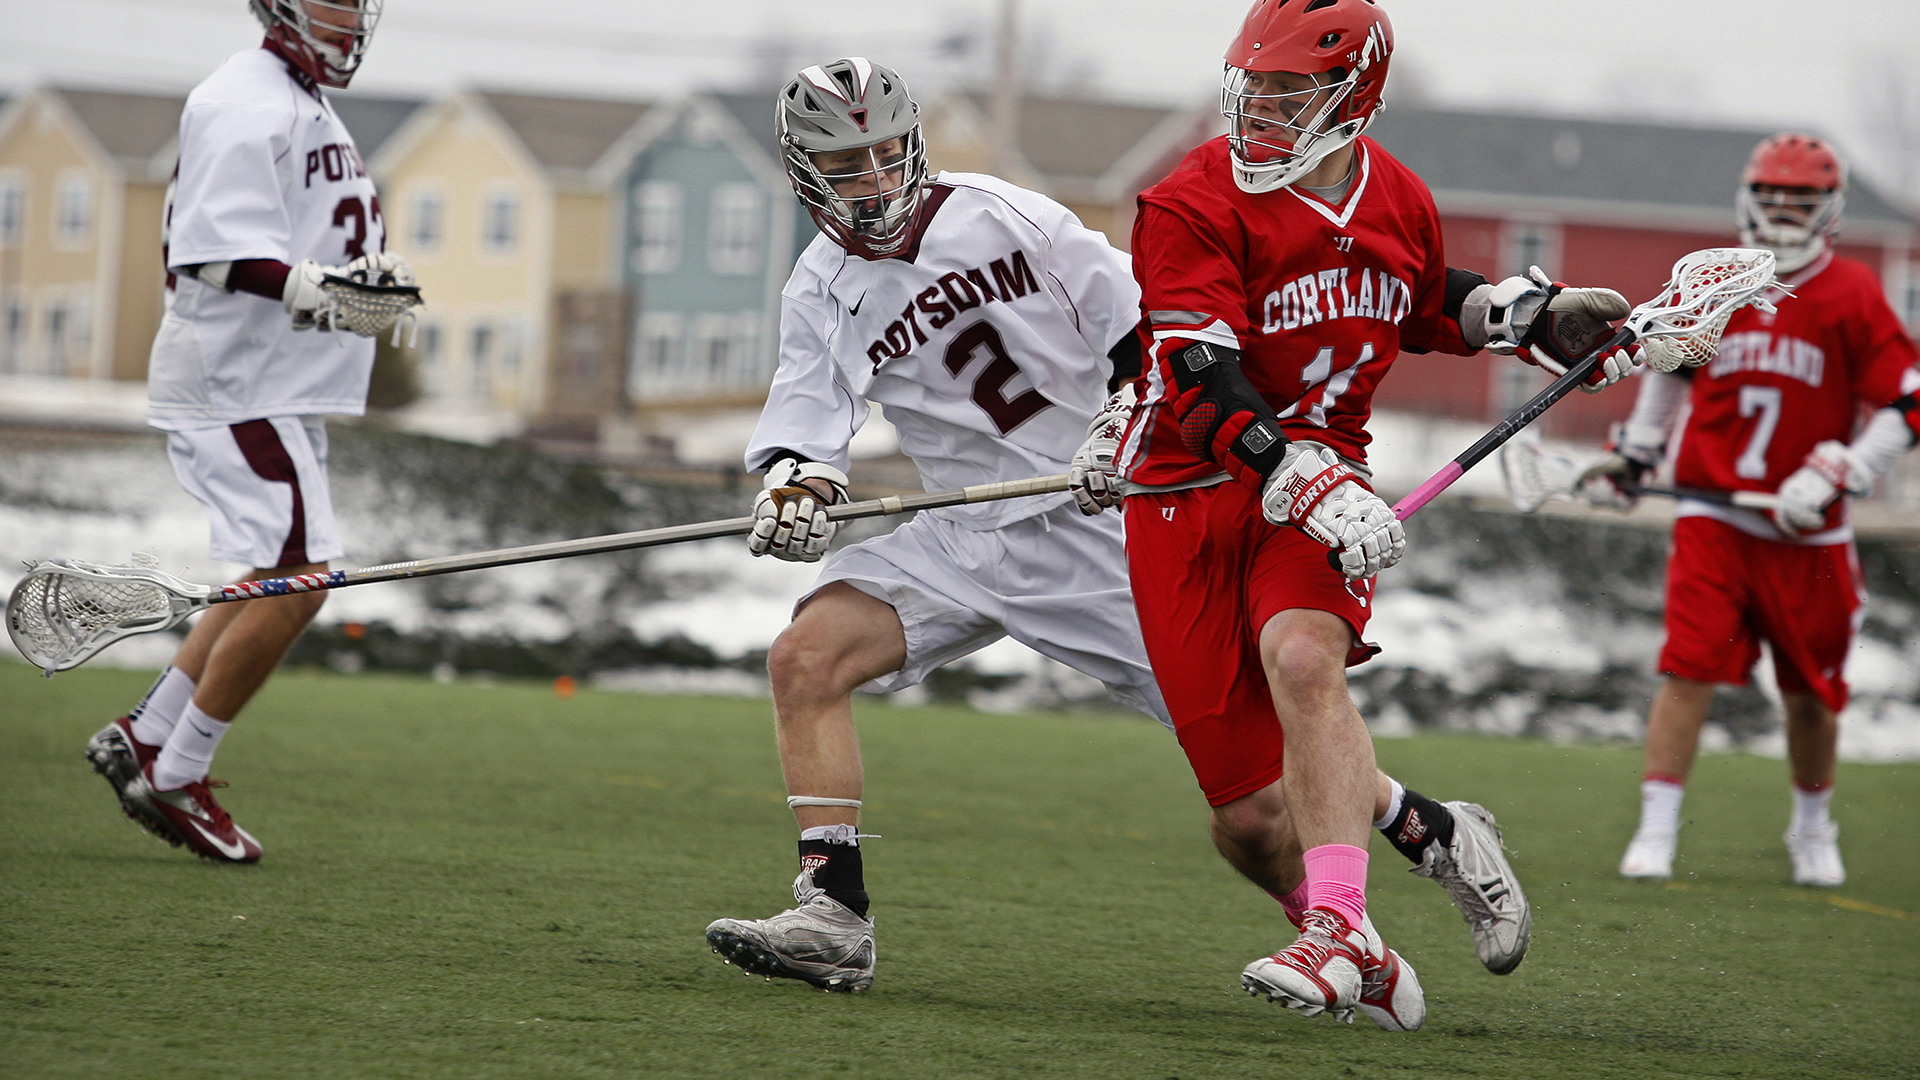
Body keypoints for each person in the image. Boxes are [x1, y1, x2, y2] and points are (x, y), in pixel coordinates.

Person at [705, 51, 1597, 1025]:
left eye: (886, 157)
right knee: (803, 658)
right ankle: (835, 915)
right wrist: (798, 490)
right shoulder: (819, 289)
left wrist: (1123, 417)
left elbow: (1149, 329)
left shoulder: (1008, 216)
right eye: (847, 169)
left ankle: (1423, 830)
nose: (874, 184)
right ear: (805, 175)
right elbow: (806, 426)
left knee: (1255, 806)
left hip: (1105, 521)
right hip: (962, 530)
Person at [1111, 0, 1644, 1026]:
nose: (1260, 113)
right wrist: (1281, 463)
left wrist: (1532, 320)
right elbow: (1197, 368)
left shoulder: (1397, 195)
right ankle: (1423, 841)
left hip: (1325, 488)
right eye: (1250, 90)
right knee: (1246, 818)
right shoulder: (1188, 200)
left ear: (1354, 95)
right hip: (1187, 494)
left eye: (1286, 93)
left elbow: (1418, 296)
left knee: (1306, 662)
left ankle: (1340, 933)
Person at [84, 0, 415, 864]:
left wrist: (357, 280)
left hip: (273, 380)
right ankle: (173, 767)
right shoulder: (247, 96)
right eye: (331, 1)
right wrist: (324, 291)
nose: (350, 19)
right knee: (301, 580)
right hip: (238, 378)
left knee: (276, 571)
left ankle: (147, 732)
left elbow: (300, 235)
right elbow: (209, 251)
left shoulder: (300, 98)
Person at [1589, 133, 1920, 888]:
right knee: (1688, 669)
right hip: (1714, 516)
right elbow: (1669, 371)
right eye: (1771, 195)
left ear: (1827, 210)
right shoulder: (1714, 280)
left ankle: (1811, 829)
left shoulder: (1854, 293)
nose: (1782, 211)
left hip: (1809, 529)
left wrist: (1844, 467)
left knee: (1810, 693)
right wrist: (1639, 455)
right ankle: (1657, 828)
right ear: (1748, 197)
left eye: (1799, 199)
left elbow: (1907, 399)